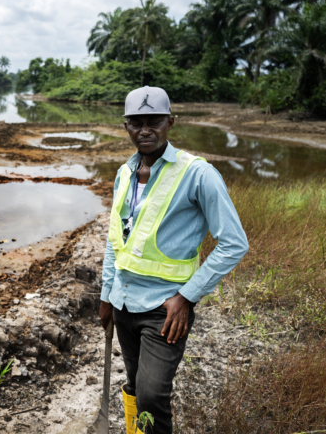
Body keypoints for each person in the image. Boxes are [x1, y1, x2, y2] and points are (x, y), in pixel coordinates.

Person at [99, 86, 249, 434]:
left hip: (165, 309)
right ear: (126, 126)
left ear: (170, 122)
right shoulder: (124, 172)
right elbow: (115, 241)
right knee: (136, 386)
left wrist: (186, 297)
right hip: (123, 302)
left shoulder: (198, 174)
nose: (145, 130)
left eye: (154, 121)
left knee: (152, 395)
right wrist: (106, 296)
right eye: (136, 122)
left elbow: (234, 243)